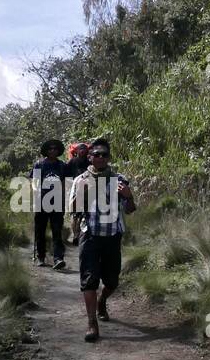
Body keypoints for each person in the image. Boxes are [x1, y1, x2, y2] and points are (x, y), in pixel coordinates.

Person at [67, 138, 136, 342]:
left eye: (104, 154)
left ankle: (102, 301)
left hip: (112, 236)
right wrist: (85, 194)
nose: (100, 157)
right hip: (90, 235)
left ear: (109, 157)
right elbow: (73, 210)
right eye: (96, 154)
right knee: (89, 280)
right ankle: (91, 323)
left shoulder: (119, 180)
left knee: (112, 281)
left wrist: (129, 196)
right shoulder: (81, 180)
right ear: (90, 157)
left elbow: (130, 210)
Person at [31, 139, 68, 269]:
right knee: (40, 230)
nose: (52, 151)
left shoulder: (62, 165)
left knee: (57, 231)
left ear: (58, 151)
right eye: (50, 149)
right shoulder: (39, 164)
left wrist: (64, 199)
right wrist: (36, 195)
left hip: (57, 202)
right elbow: (34, 182)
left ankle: (58, 258)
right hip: (42, 201)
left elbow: (64, 183)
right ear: (46, 151)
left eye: (55, 149)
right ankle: (41, 257)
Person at [64, 141, 90, 245]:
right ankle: (75, 235)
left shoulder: (90, 162)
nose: (83, 150)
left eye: (84, 148)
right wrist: (74, 183)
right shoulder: (72, 162)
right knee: (74, 213)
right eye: (80, 148)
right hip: (74, 189)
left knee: (85, 212)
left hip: (88, 190)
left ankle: (82, 234)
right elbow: (66, 175)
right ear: (76, 151)